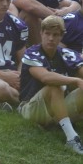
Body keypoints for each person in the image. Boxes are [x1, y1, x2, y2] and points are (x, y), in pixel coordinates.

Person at [17, 13, 83, 152]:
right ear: (41, 33)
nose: (51, 38)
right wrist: (75, 80)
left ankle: (61, 122)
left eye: (55, 34)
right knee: (55, 87)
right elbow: (45, 77)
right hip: (31, 108)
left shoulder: (67, 53)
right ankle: (72, 138)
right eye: (47, 33)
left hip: (58, 108)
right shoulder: (31, 52)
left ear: (61, 36)